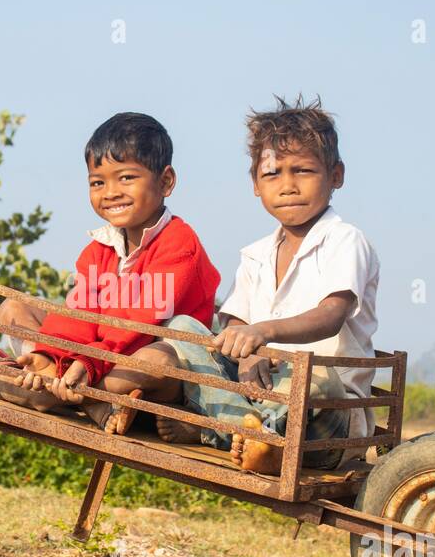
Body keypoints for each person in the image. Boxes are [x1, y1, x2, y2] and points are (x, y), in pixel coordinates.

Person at [156, 96, 379, 473]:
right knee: (181, 328)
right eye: (272, 174)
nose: (287, 186)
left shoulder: (346, 240)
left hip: (324, 415)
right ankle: (251, 436)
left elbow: (330, 315)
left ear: (336, 175)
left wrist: (265, 332)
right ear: (256, 184)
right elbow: (236, 322)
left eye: (303, 171)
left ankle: (228, 433)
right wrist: (248, 351)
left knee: (313, 375)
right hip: (258, 394)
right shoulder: (256, 253)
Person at [0, 113, 220, 434]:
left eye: (126, 178)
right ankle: (73, 392)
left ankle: (36, 390)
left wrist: (86, 365)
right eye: (98, 182)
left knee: (156, 362)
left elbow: (137, 325)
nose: (110, 192)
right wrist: (51, 356)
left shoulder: (179, 244)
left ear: (165, 181)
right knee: (12, 307)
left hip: (160, 370)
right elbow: (80, 316)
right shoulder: (99, 248)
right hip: (100, 360)